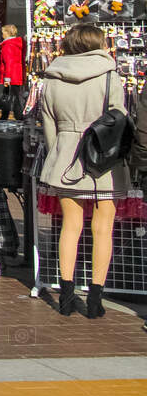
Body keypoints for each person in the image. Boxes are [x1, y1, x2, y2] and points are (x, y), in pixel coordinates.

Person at [36, 23, 132, 317]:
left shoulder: (50, 78)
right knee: (104, 228)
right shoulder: (109, 77)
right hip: (104, 157)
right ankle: (95, 300)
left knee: (70, 226)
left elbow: (49, 127)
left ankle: (65, 297)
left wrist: (60, 153)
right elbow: (120, 118)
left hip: (66, 156)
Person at [0, 23, 26, 120]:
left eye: (3, 32)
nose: (2, 35)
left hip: (10, 77)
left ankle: (8, 116)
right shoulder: (18, 44)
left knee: (8, 96)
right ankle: (14, 116)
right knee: (16, 96)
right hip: (17, 75)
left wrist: (7, 78)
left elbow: (8, 62)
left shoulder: (7, 45)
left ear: (7, 33)